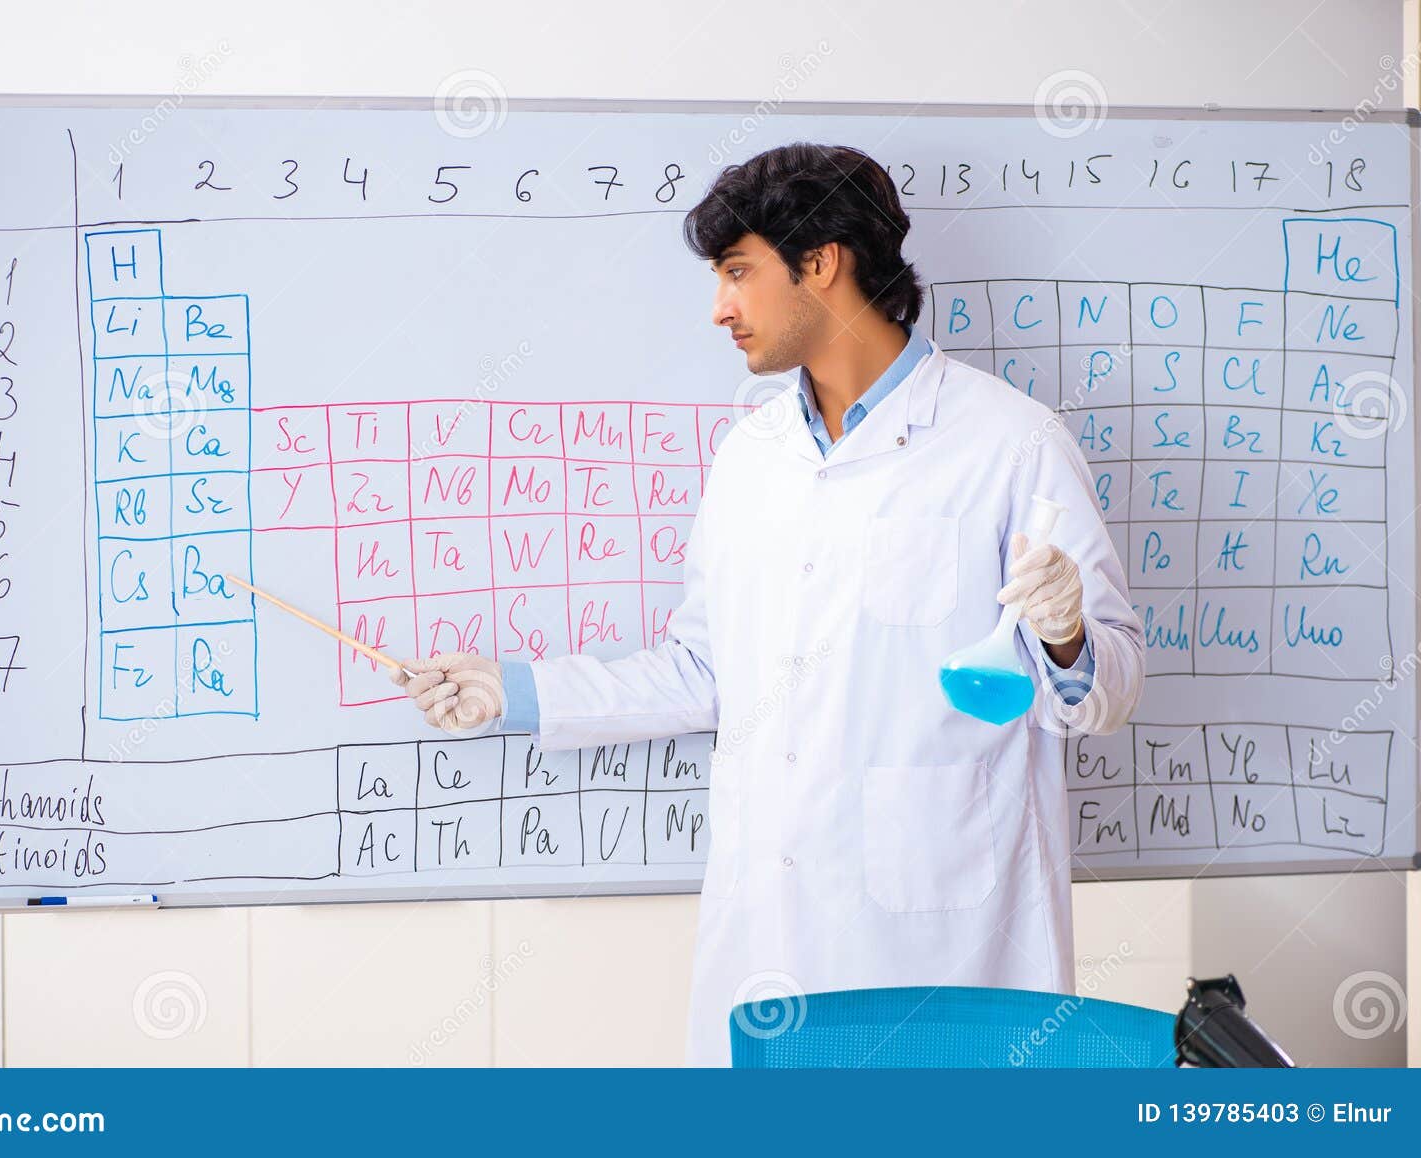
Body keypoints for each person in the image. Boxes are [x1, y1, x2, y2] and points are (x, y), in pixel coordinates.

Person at [390, 142, 1144, 1066]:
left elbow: (1108, 693)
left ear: (821, 264)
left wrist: (1068, 635)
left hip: (948, 944)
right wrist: (518, 691)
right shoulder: (751, 455)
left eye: (739, 273)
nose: (720, 309)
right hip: (771, 947)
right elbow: (706, 668)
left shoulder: (1010, 444)